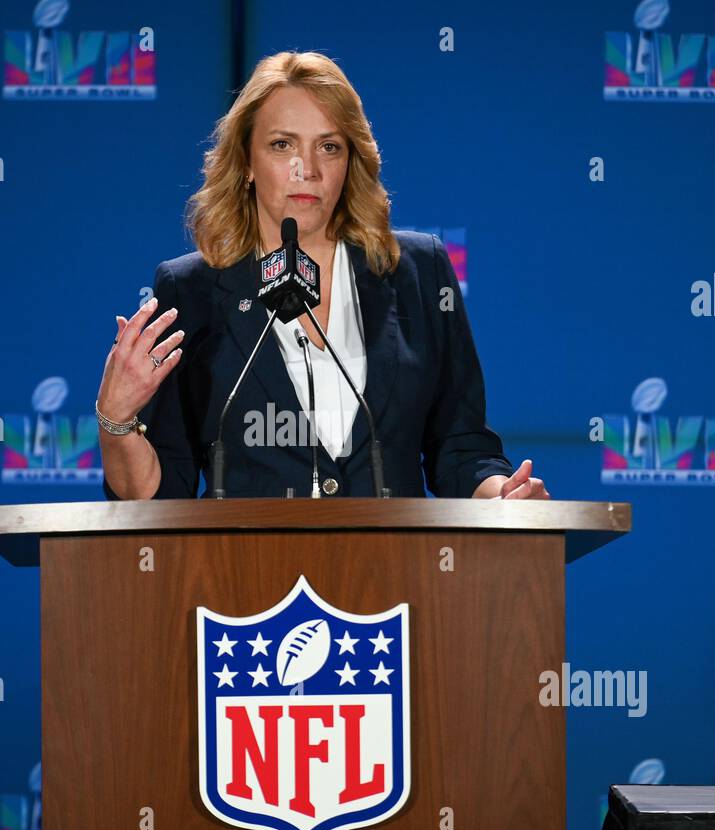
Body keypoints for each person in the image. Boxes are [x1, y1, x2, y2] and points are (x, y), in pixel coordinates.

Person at [97, 51, 549, 501]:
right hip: (244, 568)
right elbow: (158, 496)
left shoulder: (420, 271)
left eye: (328, 147)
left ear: (350, 160)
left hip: (393, 569)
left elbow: (461, 451)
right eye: (282, 145)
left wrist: (504, 497)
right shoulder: (190, 291)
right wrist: (116, 420)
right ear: (247, 162)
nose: (306, 169)